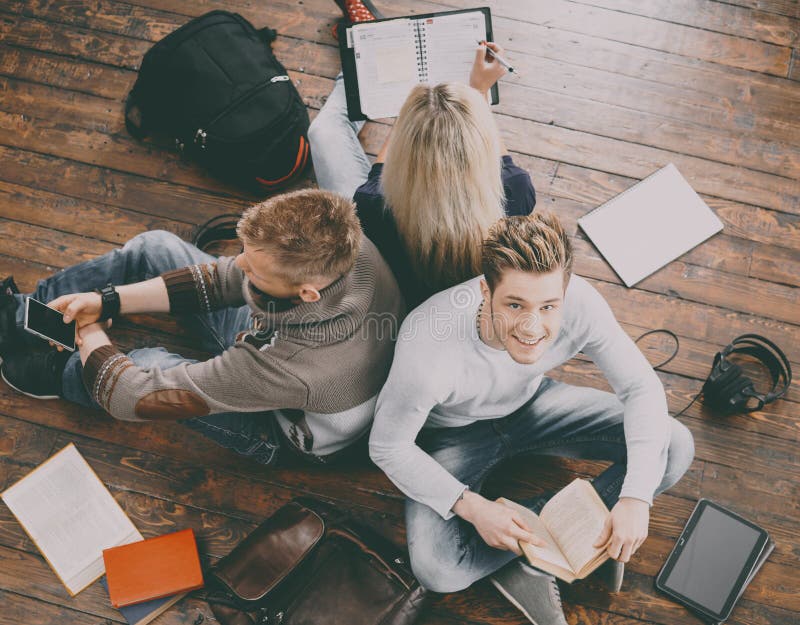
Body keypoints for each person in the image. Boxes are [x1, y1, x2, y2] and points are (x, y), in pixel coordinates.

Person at [369, 213, 694, 624]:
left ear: (565, 293)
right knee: (438, 570)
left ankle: (540, 541)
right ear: (485, 291)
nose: (531, 327)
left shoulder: (582, 304)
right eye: (515, 305)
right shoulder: (428, 347)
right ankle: (545, 541)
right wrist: (474, 509)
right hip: (453, 435)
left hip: (533, 406)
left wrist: (635, 498)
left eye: (548, 306)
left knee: (676, 445)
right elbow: (387, 445)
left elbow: (640, 388)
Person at [0, 189, 404, 465]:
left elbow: (131, 397)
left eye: (254, 269)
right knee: (155, 247)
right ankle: (25, 311)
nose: (237, 264)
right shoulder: (344, 244)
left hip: (282, 427)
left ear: (306, 293)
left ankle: (61, 373)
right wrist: (107, 301)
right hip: (292, 346)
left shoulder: (294, 366)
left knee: (146, 363)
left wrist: (87, 332)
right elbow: (227, 278)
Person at [309, 34, 536, 308]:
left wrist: (405, 113)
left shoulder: (373, 203)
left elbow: (381, 171)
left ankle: (358, 56)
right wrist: (479, 92)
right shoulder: (515, 188)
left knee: (323, 131)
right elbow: (497, 153)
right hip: (445, 312)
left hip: (392, 304)